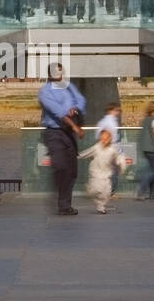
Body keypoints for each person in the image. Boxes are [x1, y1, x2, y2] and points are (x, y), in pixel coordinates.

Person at [38, 62, 86, 215]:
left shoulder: (69, 87)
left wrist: (76, 108)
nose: (59, 75)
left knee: (72, 171)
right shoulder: (45, 92)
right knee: (61, 166)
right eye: (56, 72)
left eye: (60, 71)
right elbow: (57, 111)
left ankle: (65, 205)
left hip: (69, 135)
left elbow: (80, 100)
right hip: (54, 133)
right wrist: (73, 125)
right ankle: (61, 201)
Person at [78, 128, 126, 214]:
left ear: (110, 139)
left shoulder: (112, 149)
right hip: (96, 173)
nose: (104, 141)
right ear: (100, 139)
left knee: (106, 193)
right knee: (95, 190)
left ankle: (101, 207)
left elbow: (118, 158)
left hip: (106, 174)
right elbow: (86, 153)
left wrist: (121, 165)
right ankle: (91, 190)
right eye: (102, 139)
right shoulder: (96, 147)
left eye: (106, 139)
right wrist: (77, 156)